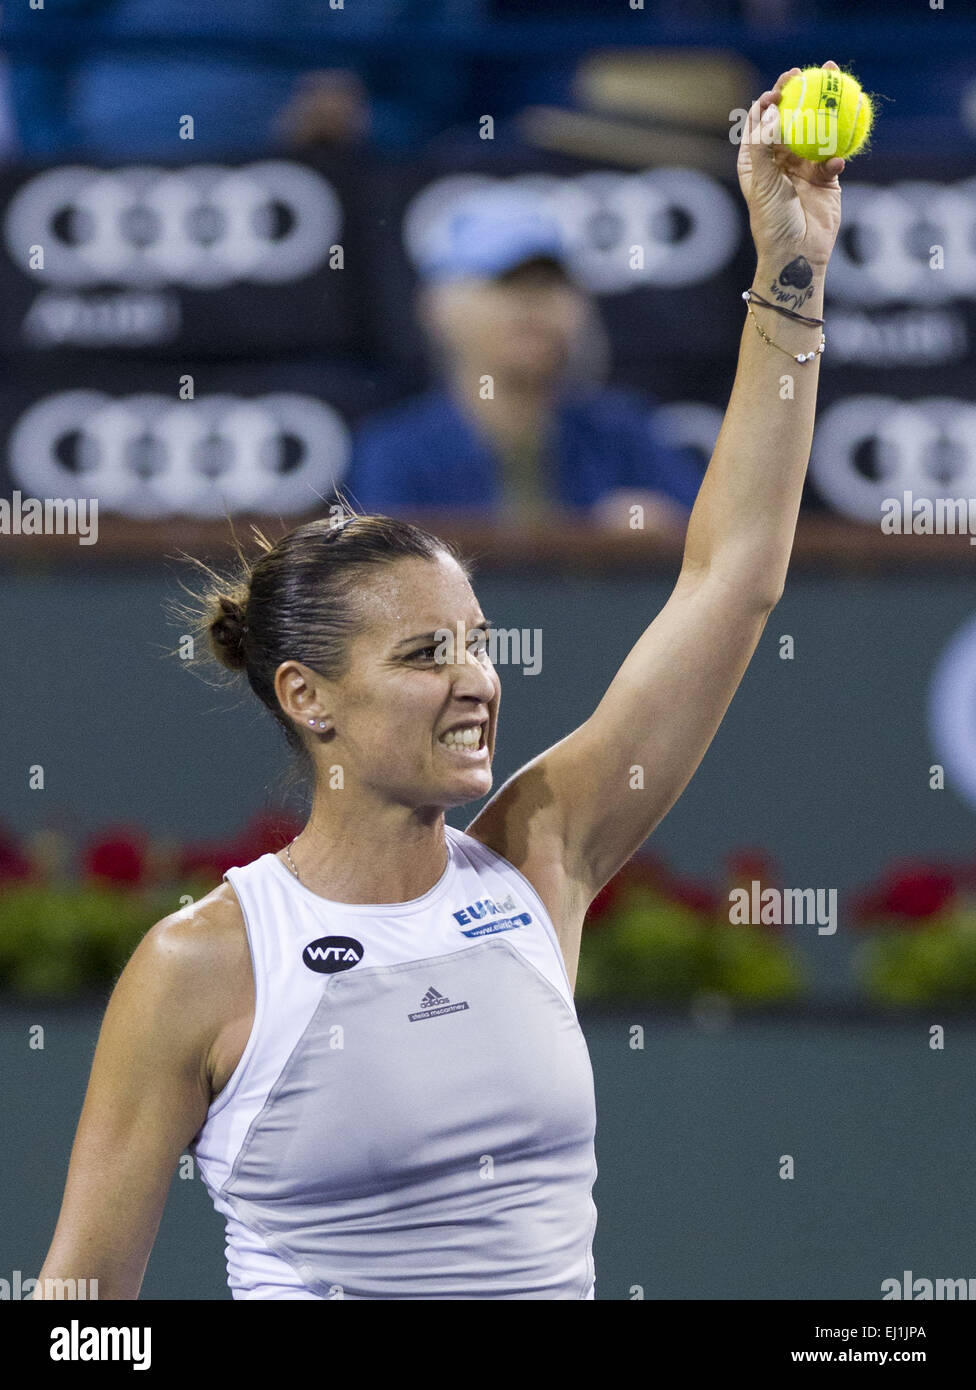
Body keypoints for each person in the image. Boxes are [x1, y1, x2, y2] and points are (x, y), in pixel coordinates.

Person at [35, 66, 844, 1300]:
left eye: (474, 642)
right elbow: (79, 1311)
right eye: (424, 654)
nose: (475, 681)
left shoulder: (541, 853)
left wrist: (791, 274)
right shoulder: (199, 966)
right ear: (309, 698)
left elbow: (732, 577)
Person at [349, 185, 705, 533]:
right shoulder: (396, 454)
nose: (532, 302)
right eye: (506, 282)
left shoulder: (622, 432)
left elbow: (716, 550)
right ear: (439, 307)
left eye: (550, 283)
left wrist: (666, 531)